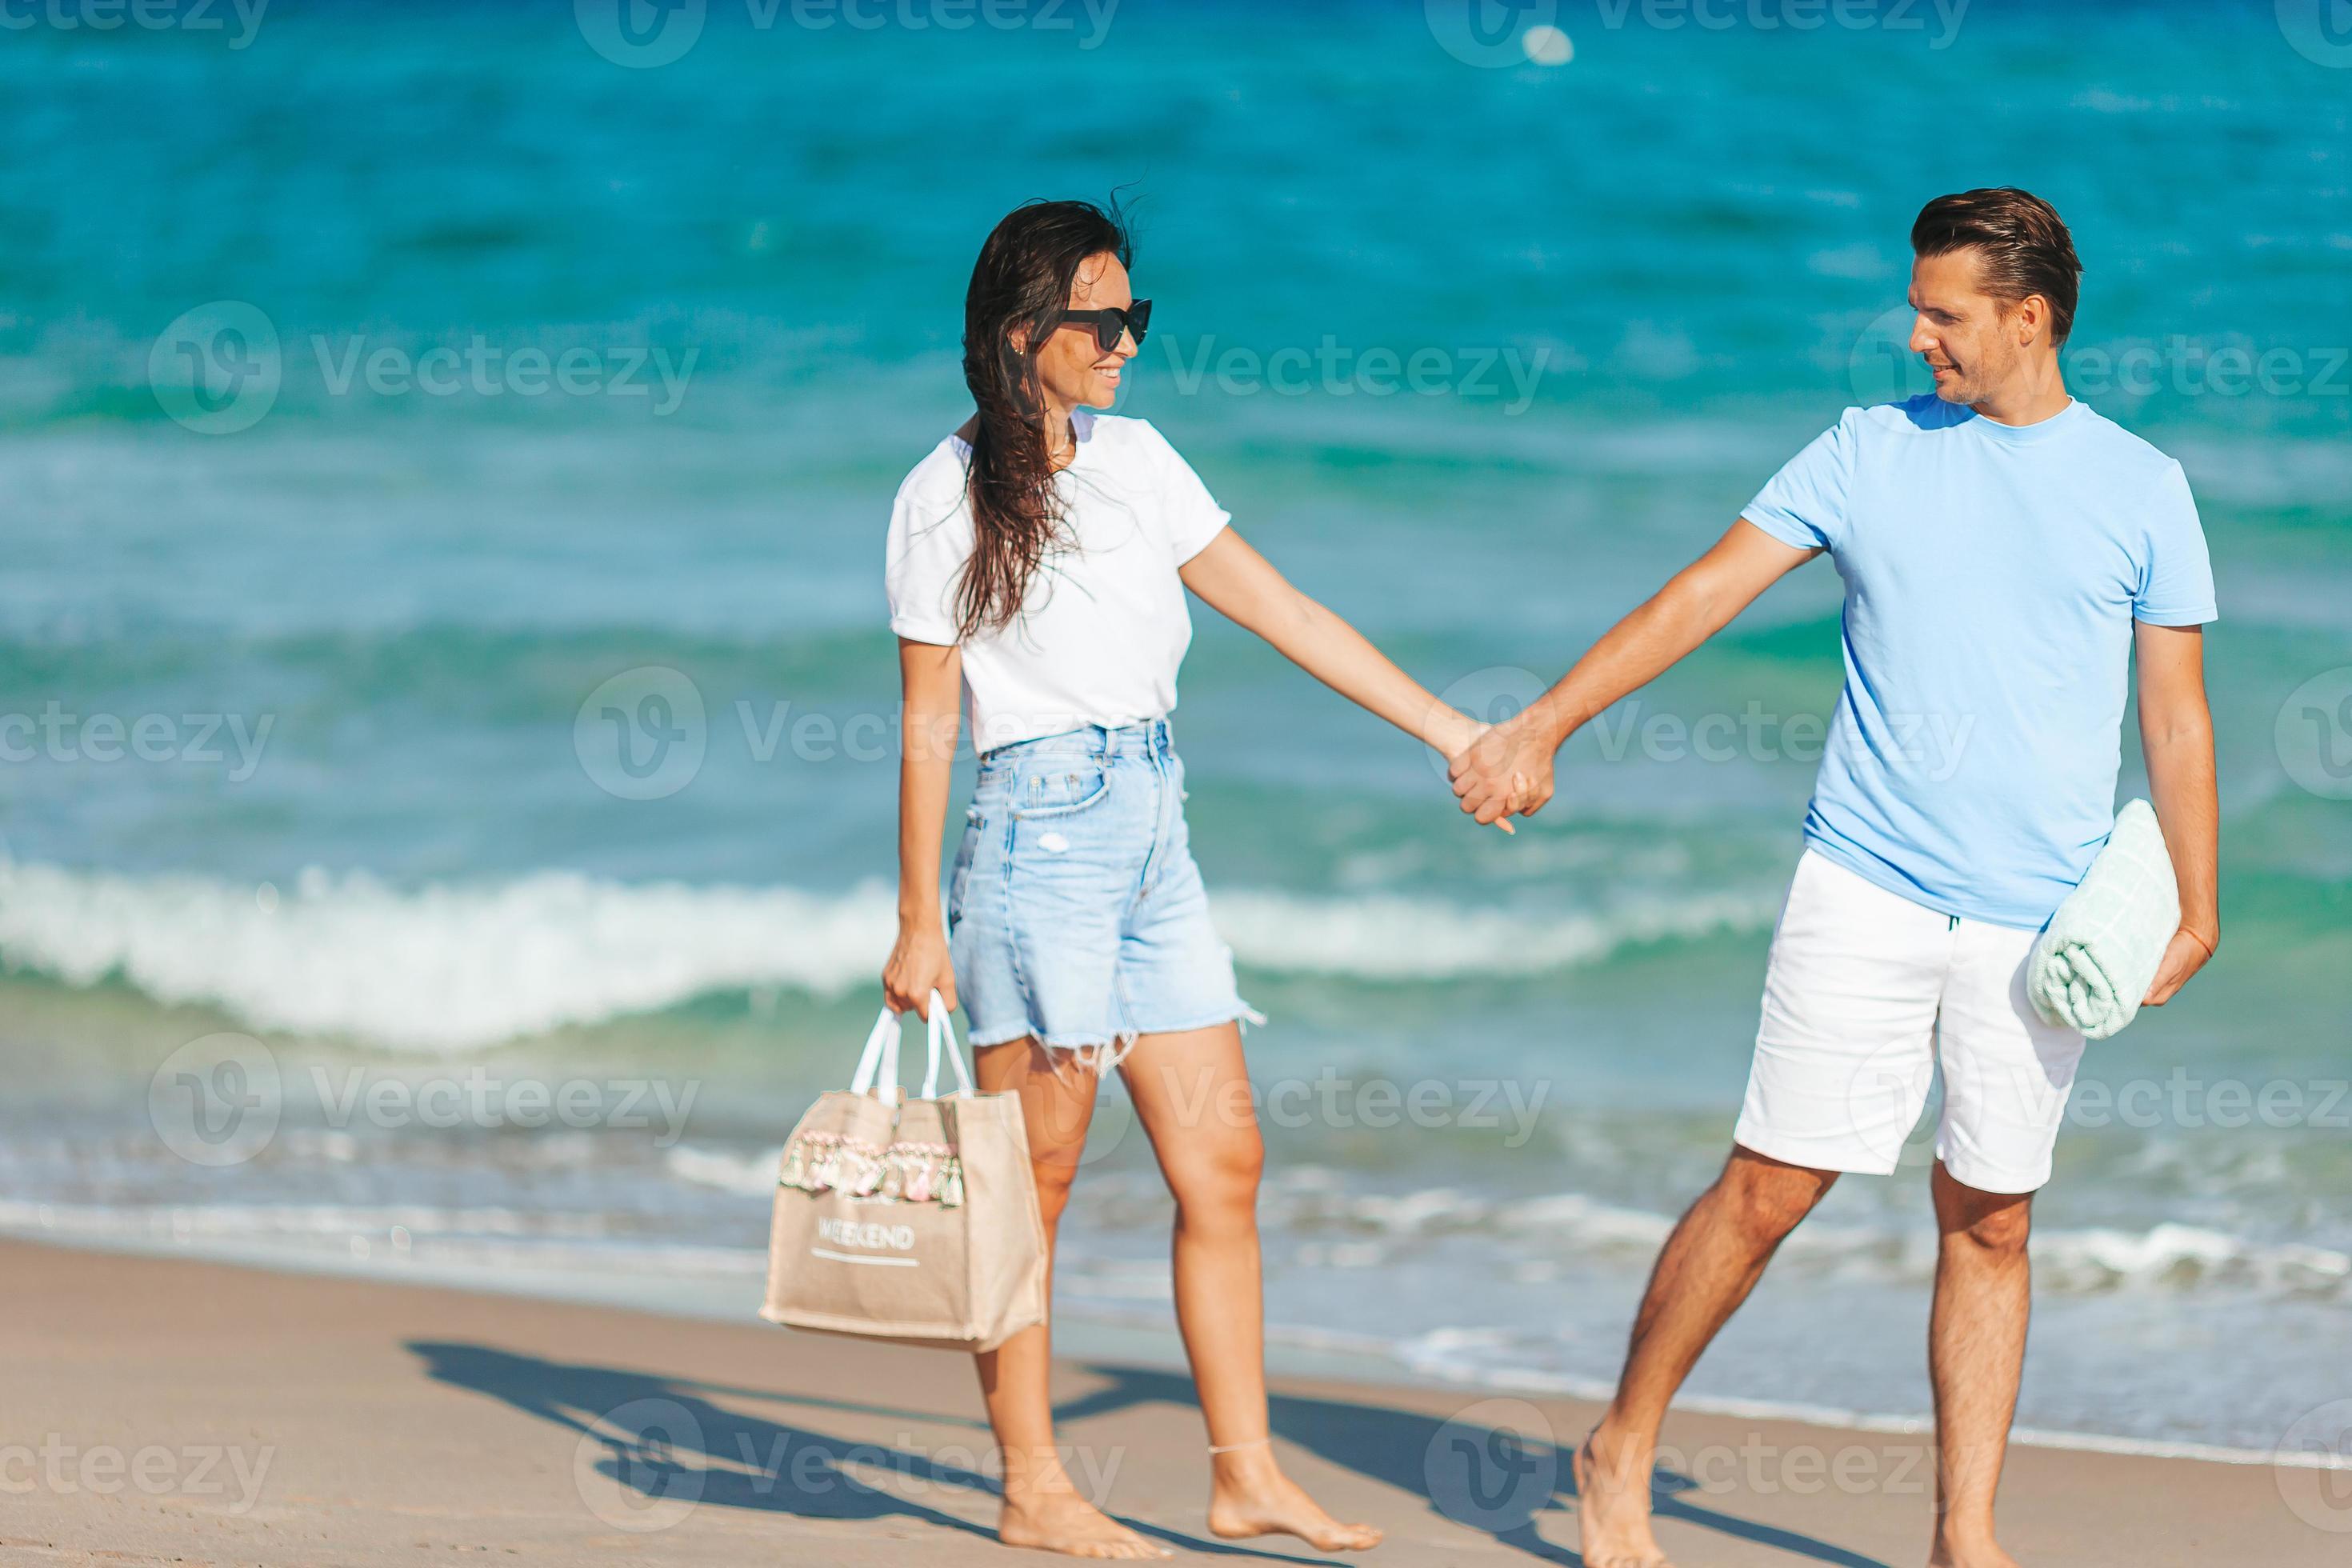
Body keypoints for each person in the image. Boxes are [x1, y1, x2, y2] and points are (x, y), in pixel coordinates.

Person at [1450, 187, 2219, 1568]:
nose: (1915, 334)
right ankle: (1621, 1443)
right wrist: (1544, 722)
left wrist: (2201, 904)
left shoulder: (2142, 487)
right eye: (1917, 307)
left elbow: (2176, 716)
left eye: (1944, 313)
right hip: (1863, 882)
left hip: (2040, 921)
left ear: (2029, 318)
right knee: (1771, 1186)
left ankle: (1962, 1537)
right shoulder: (1867, 450)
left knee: (1992, 1219)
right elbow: (1702, 593)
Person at [882, 198, 1486, 1559]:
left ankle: (1245, 1474)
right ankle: (1033, 1488)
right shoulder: (939, 496)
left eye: (1135, 318)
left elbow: (1287, 611)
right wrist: (920, 916)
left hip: (1156, 831)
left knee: (1224, 1163)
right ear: (1022, 330)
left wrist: (1455, 731)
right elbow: (928, 717)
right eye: (1103, 322)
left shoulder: (1141, 461)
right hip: (1036, 846)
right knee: (1031, 1188)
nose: (1126, 346)